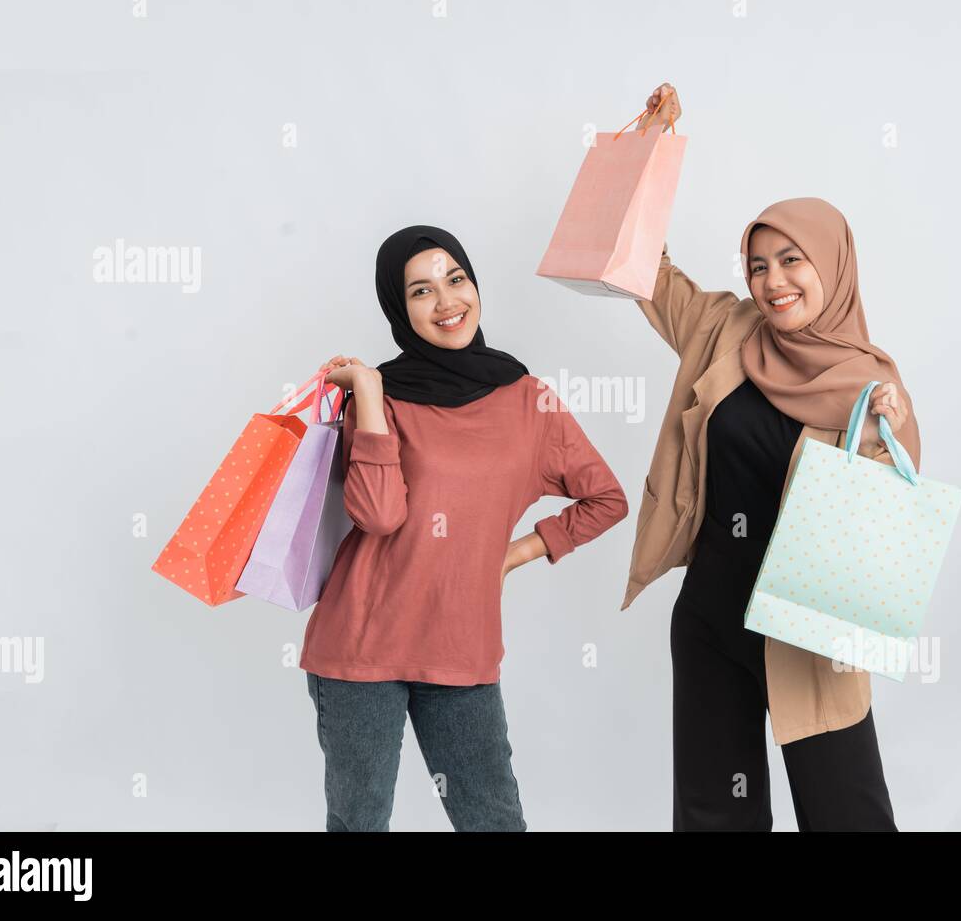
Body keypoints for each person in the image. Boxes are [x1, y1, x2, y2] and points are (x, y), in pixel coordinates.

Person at [624, 84, 919, 831]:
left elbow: (890, 517)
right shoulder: (725, 329)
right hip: (712, 621)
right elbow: (641, 265)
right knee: (714, 815)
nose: (773, 281)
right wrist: (651, 145)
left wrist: (894, 432)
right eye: (758, 265)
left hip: (811, 637)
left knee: (846, 812)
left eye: (792, 261)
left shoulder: (868, 382)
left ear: (833, 266)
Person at [301, 224, 629, 831]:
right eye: (422, 291)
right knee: (359, 823)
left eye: (456, 280)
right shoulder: (381, 398)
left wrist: (515, 553)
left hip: (462, 650)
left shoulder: (529, 400)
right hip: (360, 648)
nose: (448, 302)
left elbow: (606, 499)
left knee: (493, 821)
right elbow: (377, 515)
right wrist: (370, 395)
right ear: (399, 308)